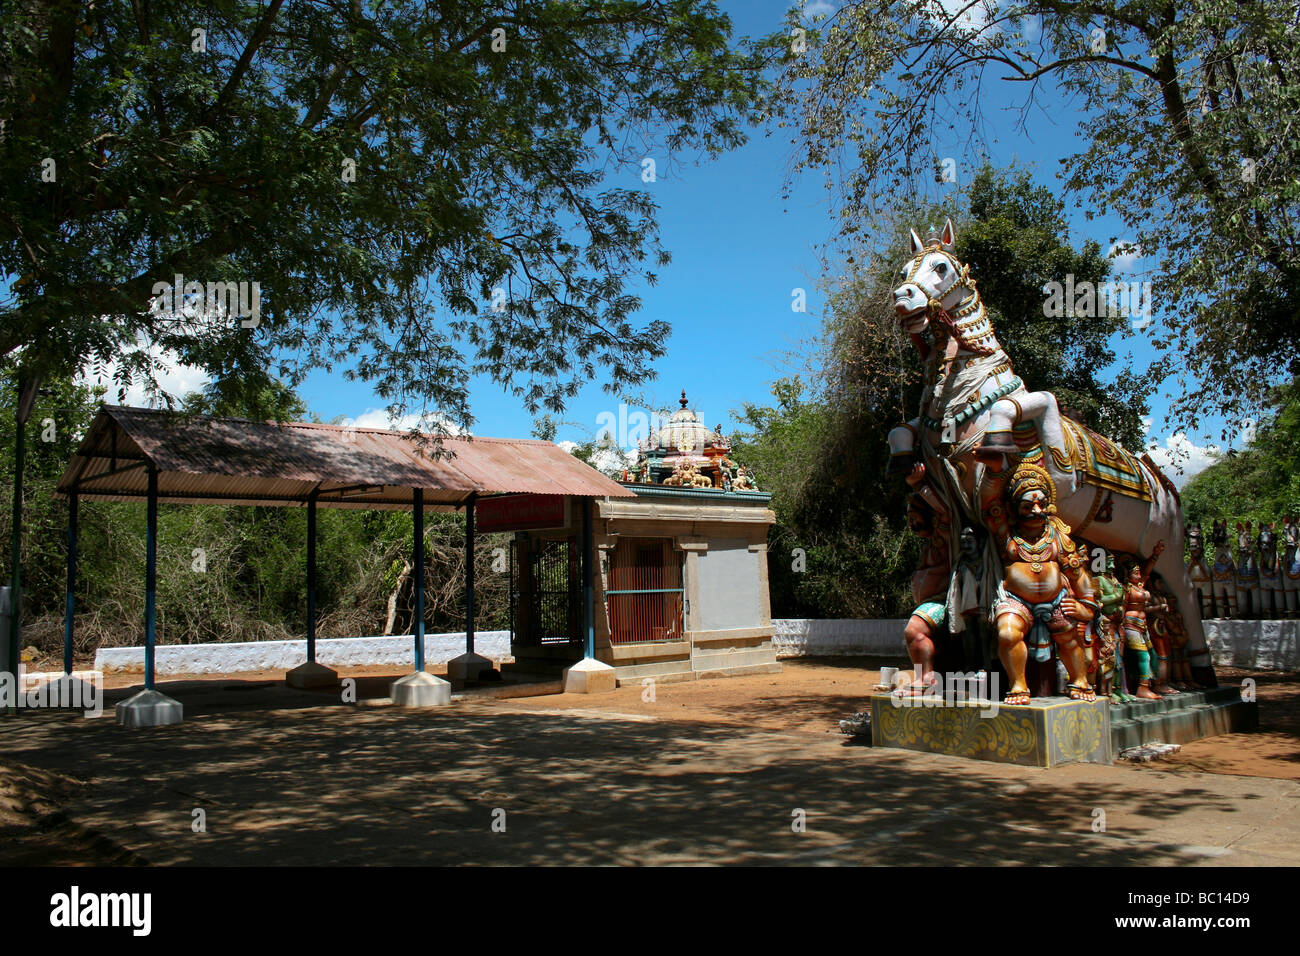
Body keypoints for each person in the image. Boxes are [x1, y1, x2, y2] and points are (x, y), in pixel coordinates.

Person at [981, 460, 1099, 705]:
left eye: (1041, 504)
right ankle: (1018, 685)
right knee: (1007, 633)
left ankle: (1080, 680)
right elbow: (988, 503)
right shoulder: (1006, 534)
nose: (1036, 510)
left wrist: (1085, 606)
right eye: (1028, 506)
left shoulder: (1058, 537)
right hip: (1016, 600)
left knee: (1068, 637)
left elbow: (1079, 574)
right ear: (1014, 509)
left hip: (1056, 600)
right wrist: (993, 471)